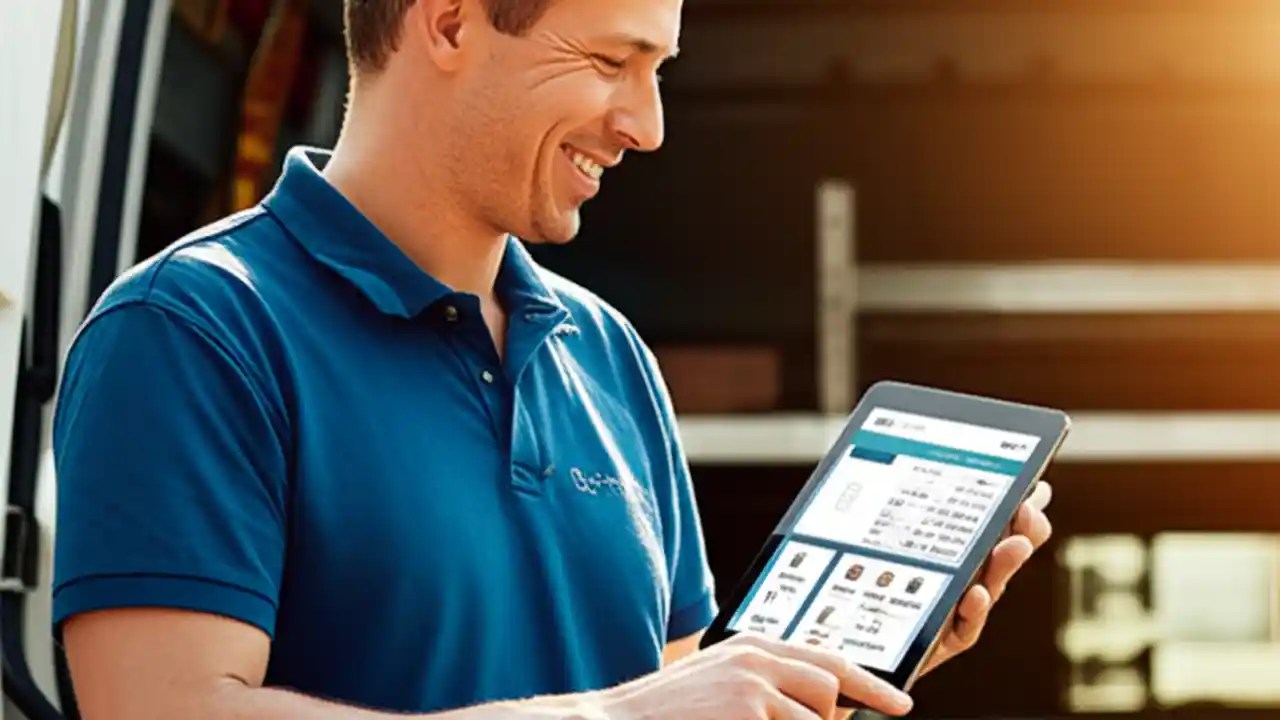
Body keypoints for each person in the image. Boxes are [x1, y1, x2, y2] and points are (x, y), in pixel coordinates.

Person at [51, 0, 1054, 718]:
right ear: (451, 24)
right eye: (613, 61)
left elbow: (675, 698)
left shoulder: (607, 354)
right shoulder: (191, 329)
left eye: (657, 71)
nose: (646, 126)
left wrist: (830, 675)